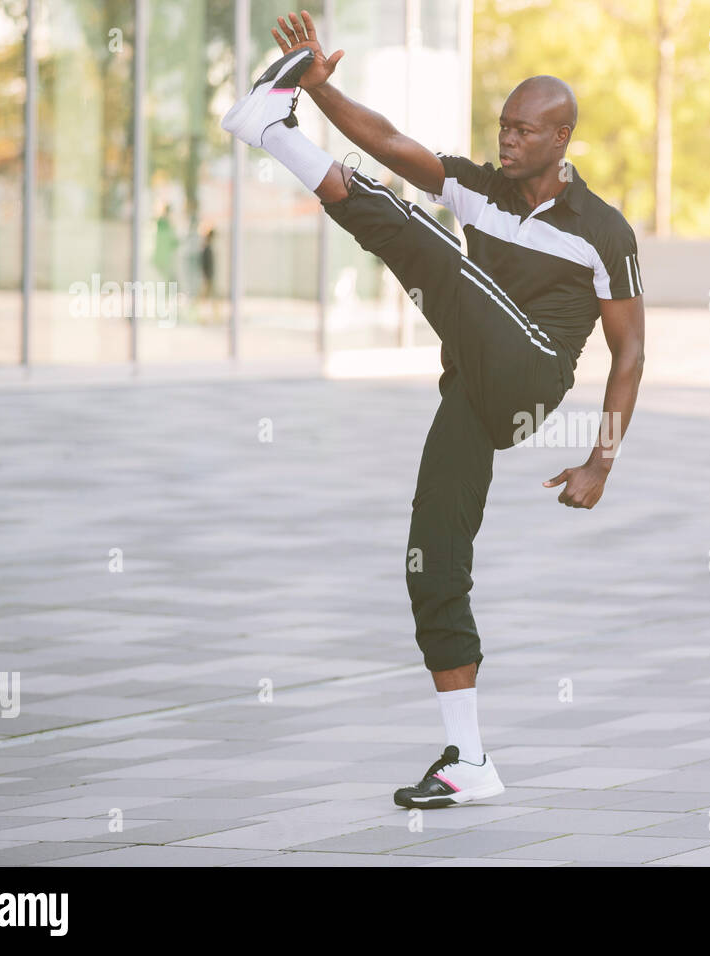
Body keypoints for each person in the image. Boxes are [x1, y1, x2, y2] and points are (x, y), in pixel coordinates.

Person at [222, 10, 645, 808]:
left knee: (432, 252)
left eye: (524, 130)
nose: (507, 139)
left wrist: (601, 458)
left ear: (562, 140)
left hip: (532, 381)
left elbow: (630, 355)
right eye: (502, 126)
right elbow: (388, 143)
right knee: (432, 561)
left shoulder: (605, 233)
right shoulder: (480, 187)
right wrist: (325, 89)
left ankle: (272, 134)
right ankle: (470, 758)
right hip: (477, 395)